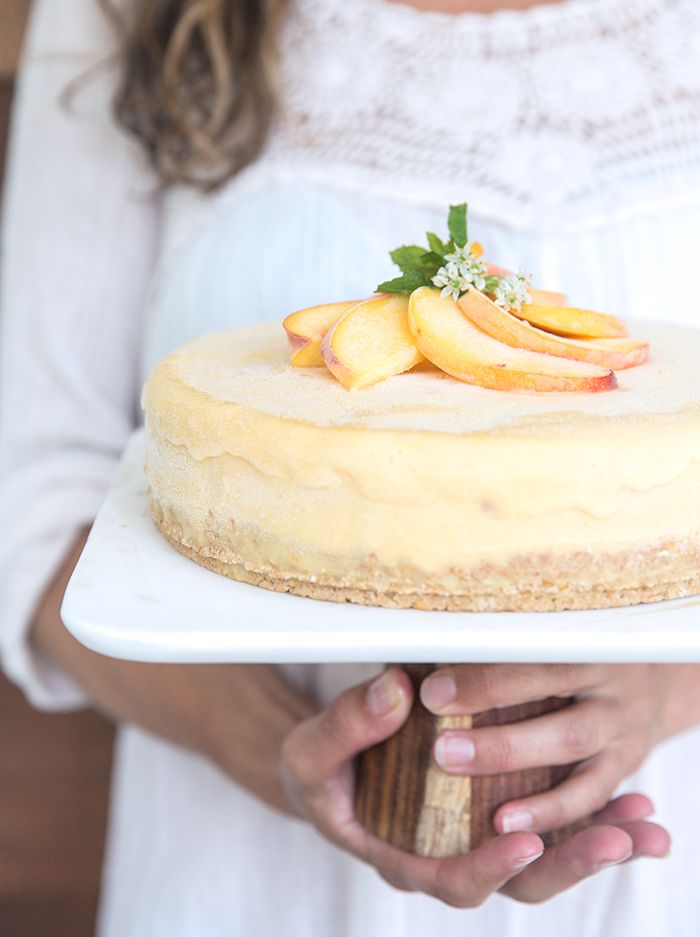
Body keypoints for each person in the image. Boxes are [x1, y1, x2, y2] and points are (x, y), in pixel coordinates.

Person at [1, 0, 699, 933]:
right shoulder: (128, 14)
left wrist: (671, 685)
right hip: (245, 878)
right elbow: (29, 489)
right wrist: (273, 746)